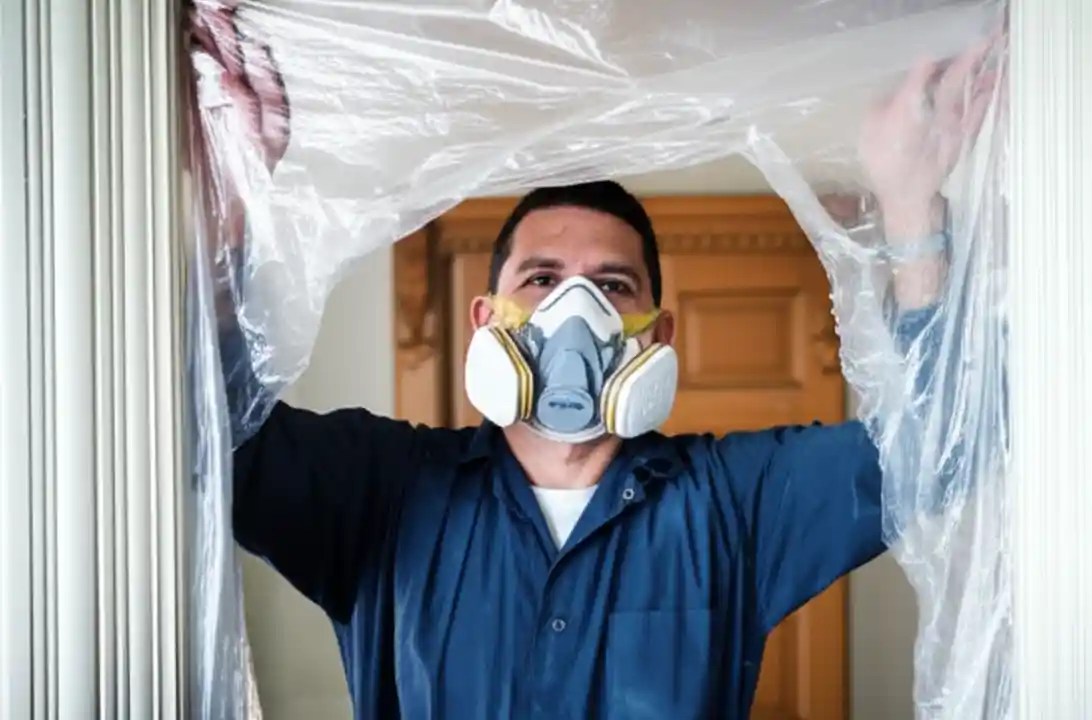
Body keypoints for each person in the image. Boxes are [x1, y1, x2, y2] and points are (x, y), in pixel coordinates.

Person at [194, 4, 997, 717]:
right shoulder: (378, 493)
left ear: (657, 333)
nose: (573, 313)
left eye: (611, 286)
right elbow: (206, 434)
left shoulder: (735, 508)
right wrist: (232, 201)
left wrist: (910, 203)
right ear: (487, 319)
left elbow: (939, 448)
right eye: (542, 280)